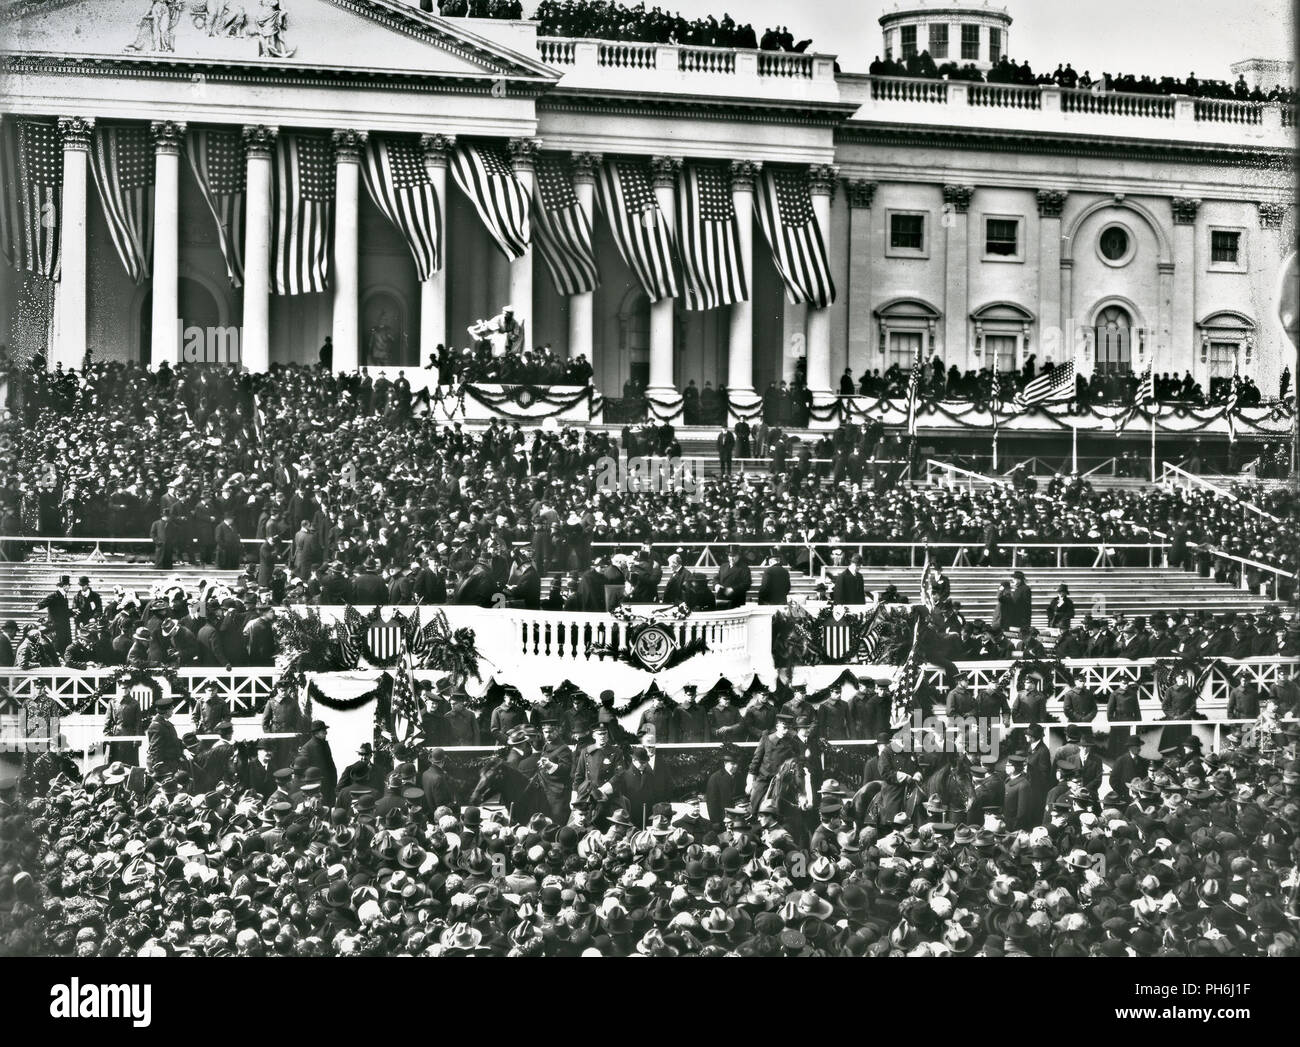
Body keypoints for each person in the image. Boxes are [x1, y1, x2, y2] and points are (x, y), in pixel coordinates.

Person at [298, 719, 337, 807]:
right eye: (323, 731)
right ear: (316, 732)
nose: (326, 733)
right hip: (316, 789)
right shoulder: (307, 748)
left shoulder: (325, 745)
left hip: (329, 788)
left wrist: (334, 784)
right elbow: (302, 771)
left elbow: (331, 765)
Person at [706, 744, 745, 829]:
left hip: (737, 819)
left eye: (737, 764)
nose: (735, 766)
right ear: (725, 763)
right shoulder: (715, 778)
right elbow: (712, 802)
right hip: (722, 820)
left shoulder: (740, 777)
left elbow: (742, 797)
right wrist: (715, 821)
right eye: (732, 764)